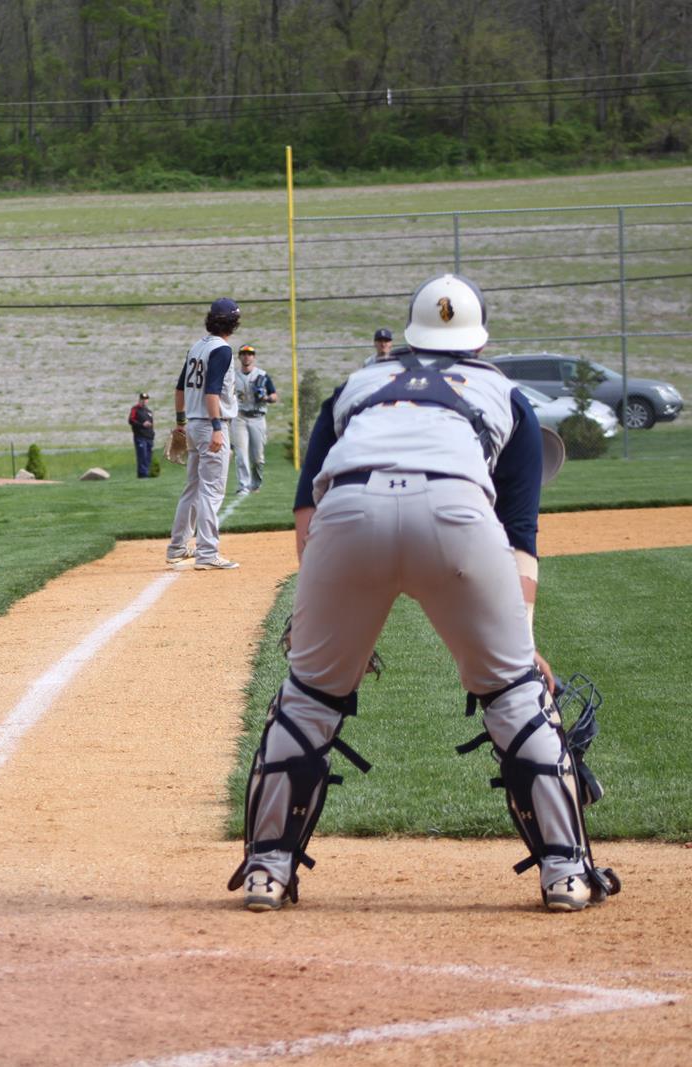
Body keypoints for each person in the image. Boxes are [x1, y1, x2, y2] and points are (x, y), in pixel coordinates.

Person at [228, 273, 619, 914]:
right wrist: (522, 642)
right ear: (481, 340)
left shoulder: (357, 385)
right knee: (513, 695)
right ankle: (566, 874)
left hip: (348, 515)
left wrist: (316, 612)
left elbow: (307, 510)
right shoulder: (504, 393)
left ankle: (267, 871)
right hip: (455, 514)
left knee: (309, 697)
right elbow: (519, 536)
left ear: (409, 336)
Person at [166, 297, 241, 570]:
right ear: (233, 322)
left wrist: (180, 422)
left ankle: (177, 547)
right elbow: (212, 392)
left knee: (193, 488)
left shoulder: (197, 346)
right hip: (211, 425)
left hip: (193, 425)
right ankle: (207, 553)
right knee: (211, 491)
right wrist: (218, 428)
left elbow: (179, 389)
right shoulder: (222, 350)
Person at [230, 345, 278, 495]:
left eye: (249, 354)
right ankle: (243, 486)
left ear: (254, 357)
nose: (246, 356)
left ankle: (256, 484)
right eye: (244, 353)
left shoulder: (261, 375)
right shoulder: (233, 376)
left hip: (257, 417)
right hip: (240, 417)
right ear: (239, 356)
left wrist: (266, 398)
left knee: (257, 458)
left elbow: (274, 395)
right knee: (241, 454)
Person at [128, 391, 156, 478]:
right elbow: (131, 420)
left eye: (145, 399)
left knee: (148, 455)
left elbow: (152, 424)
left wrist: (152, 434)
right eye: (142, 399)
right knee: (142, 455)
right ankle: (143, 474)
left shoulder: (149, 411)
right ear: (139, 400)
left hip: (149, 436)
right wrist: (142, 424)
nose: (144, 401)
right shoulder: (135, 409)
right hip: (140, 436)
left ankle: (147, 472)